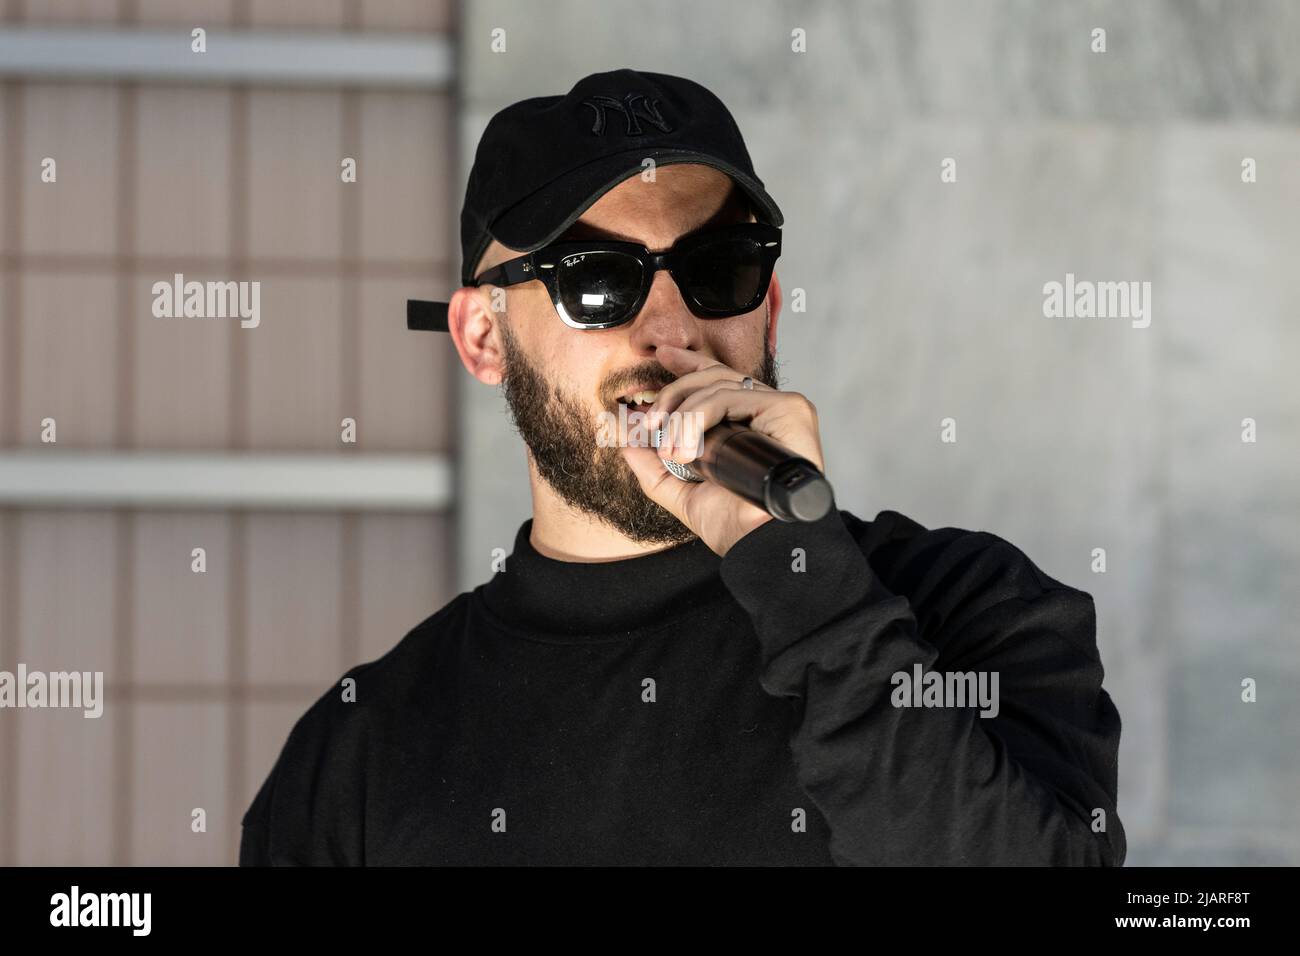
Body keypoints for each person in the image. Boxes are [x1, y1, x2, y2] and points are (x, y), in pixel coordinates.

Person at [239, 68, 1126, 866]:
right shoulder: (363, 750)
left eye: (719, 268)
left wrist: (805, 579)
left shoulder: (974, 610)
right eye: (597, 279)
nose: (673, 331)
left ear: (769, 311)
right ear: (482, 335)